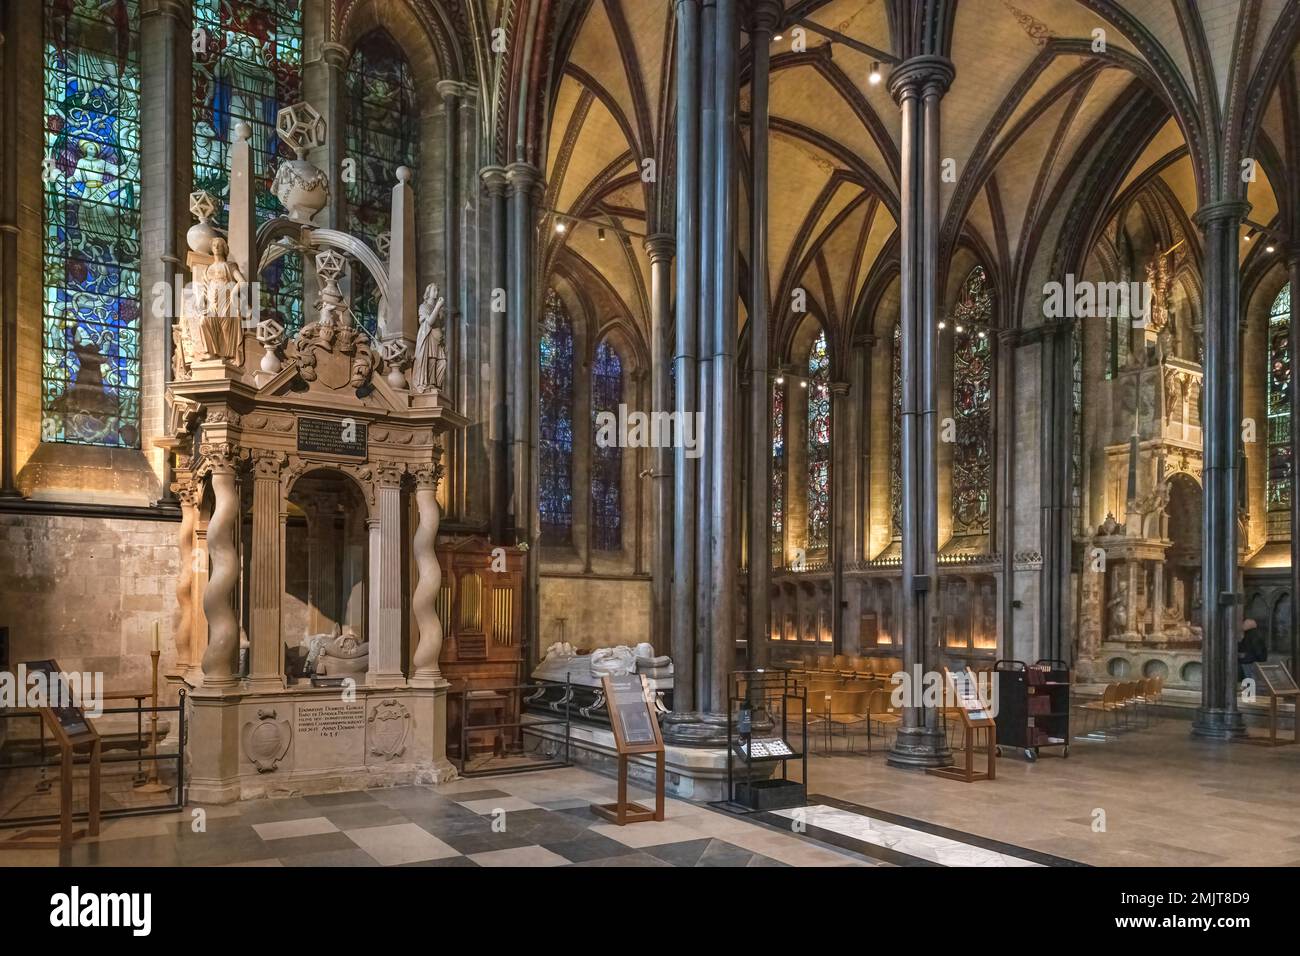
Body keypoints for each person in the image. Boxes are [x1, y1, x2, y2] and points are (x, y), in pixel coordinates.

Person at [1238, 618, 1268, 683]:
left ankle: (1249, 692)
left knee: (1249, 679)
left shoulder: (1251, 635)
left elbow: (1256, 648)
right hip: (1250, 660)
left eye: (1244, 624)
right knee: (1250, 679)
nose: (1242, 625)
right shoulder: (1254, 634)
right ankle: (1249, 692)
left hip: (1249, 660)